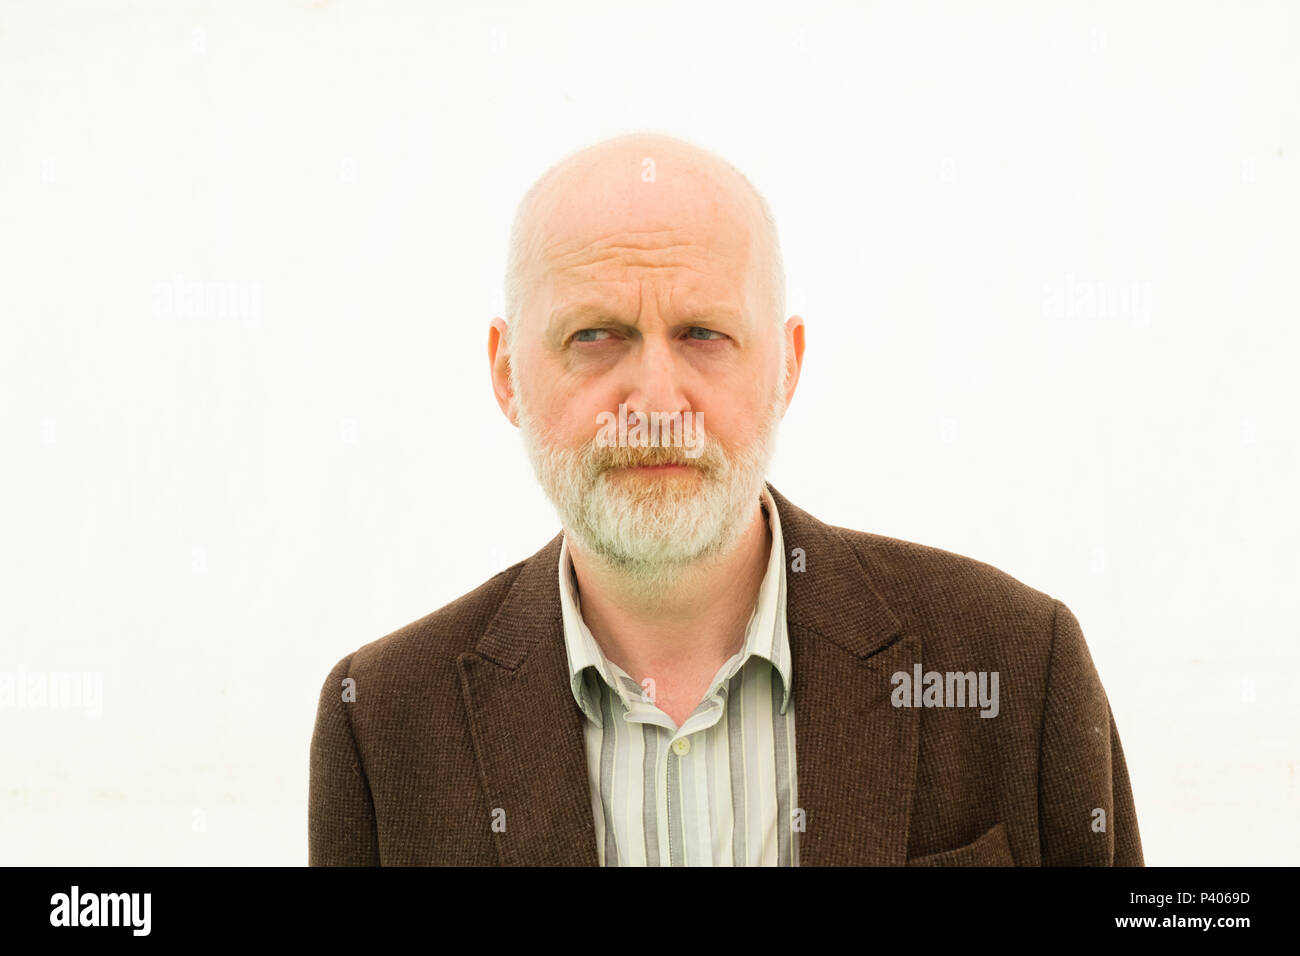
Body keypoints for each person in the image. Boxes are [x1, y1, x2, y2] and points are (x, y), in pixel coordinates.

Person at [309, 131, 1142, 866]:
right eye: (594, 336)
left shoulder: (1016, 665)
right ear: (505, 374)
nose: (657, 406)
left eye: (704, 334)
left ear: (787, 367)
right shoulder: (381, 725)